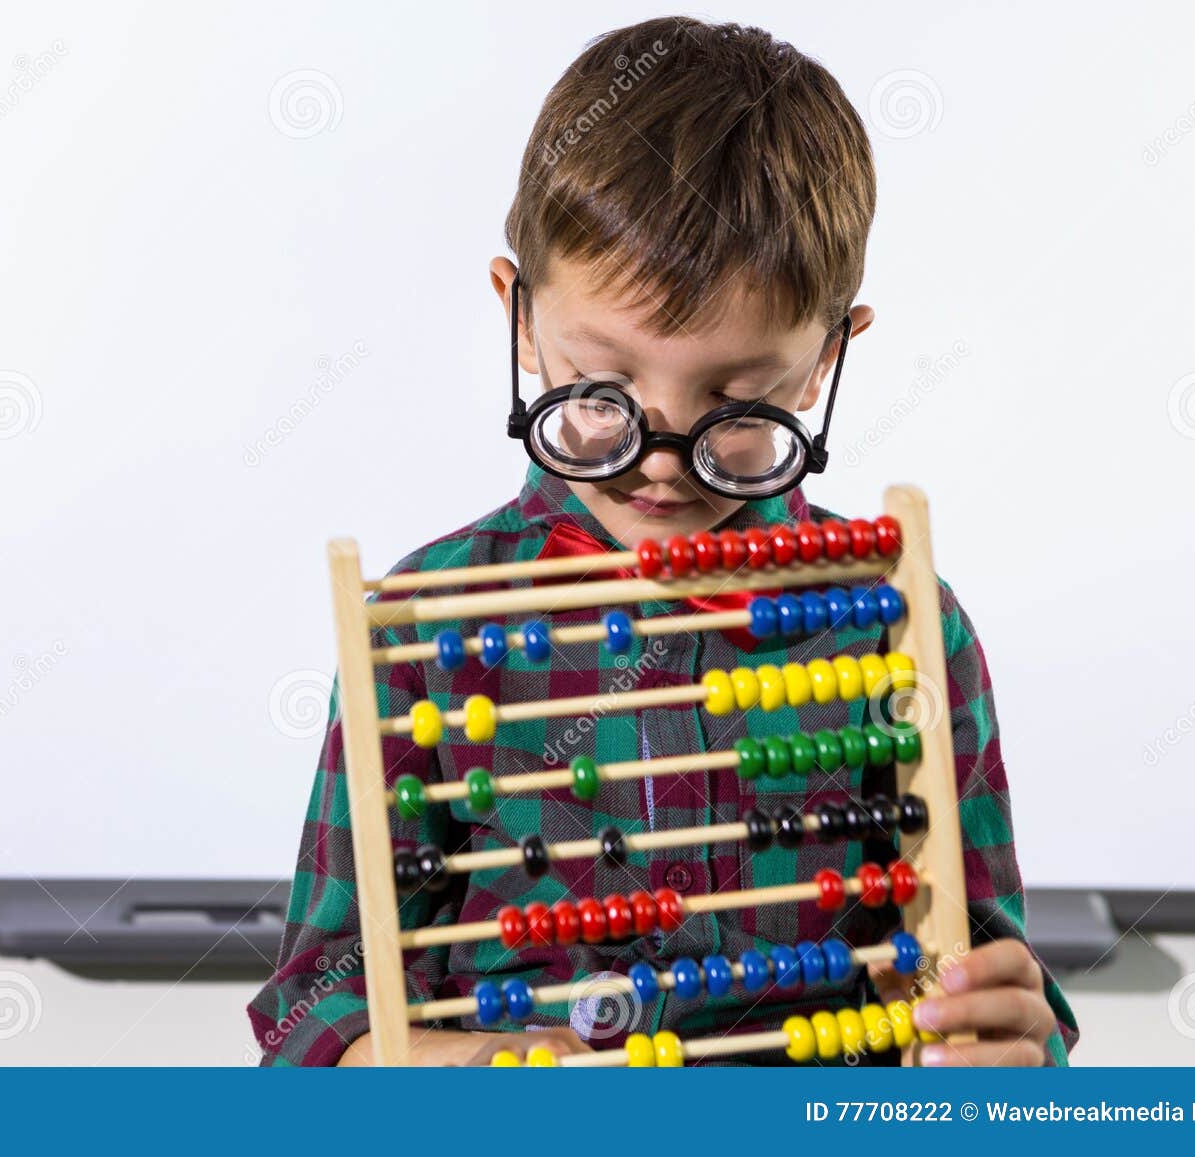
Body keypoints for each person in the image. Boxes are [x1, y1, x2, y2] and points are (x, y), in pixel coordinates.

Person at [248, 16, 1076, 1067]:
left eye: (738, 399)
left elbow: (986, 971)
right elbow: (314, 1005)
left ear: (826, 358)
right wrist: (428, 1069)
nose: (662, 460)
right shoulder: (421, 626)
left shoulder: (898, 619)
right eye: (602, 385)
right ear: (519, 319)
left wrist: (1005, 1040)